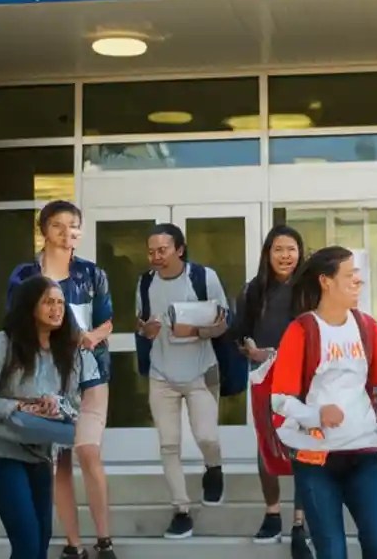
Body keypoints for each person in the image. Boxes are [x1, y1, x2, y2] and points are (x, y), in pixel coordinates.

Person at [0, 275, 103, 559]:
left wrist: (55, 405)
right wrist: (16, 407)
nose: (57, 308)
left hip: (40, 455)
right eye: (48, 302)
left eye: (61, 303)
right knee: (26, 541)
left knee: (40, 542)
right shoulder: (3, 344)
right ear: (29, 306)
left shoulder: (68, 353)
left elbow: (73, 407)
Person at [270, 246, 377, 559]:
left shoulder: (368, 327)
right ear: (326, 282)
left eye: (358, 277)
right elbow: (279, 400)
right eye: (350, 276)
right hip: (316, 460)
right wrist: (317, 415)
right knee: (331, 551)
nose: (358, 283)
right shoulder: (301, 331)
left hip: (363, 454)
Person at [6, 200, 116, 559]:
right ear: (44, 230)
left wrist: (91, 337)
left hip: (90, 372)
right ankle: (74, 544)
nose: (68, 232)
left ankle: (104, 540)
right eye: (59, 225)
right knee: (59, 460)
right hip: (46, 376)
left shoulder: (92, 273)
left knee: (87, 451)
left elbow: (107, 321)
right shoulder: (25, 276)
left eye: (74, 225)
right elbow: (14, 323)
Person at [134, 222, 230, 539]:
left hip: (201, 371)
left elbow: (223, 322)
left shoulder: (203, 278)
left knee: (206, 436)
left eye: (162, 250)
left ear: (179, 249)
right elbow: (142, 323)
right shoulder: (145, 282)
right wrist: (145, 331)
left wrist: (197, 332)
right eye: (151, 251)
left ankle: (213, 467)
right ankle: (181, 510)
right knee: (169, 444)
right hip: (162, 376)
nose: (155, 257)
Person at [228, 225, 313, 557]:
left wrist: (277, 353)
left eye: (291, 249)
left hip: (302, 377)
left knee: (303, 444)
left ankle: (300, 521)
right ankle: (272, 512)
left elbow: (315, 335)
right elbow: (239, 334)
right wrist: (249, 349)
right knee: (267, 443)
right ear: (267, 253)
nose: (285, 256)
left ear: (300, 252)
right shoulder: (253, 291)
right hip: (264, 376)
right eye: (278, 249)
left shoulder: (310, 290)